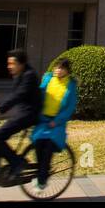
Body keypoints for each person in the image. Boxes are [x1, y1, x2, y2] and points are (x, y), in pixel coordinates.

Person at [0, 48, 40, 185]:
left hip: (30, 114)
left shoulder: (29, 76)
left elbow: (18, 95)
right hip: (22, 112)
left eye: (12, 63)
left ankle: (17, 163)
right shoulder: (20, 75)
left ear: (21, 64)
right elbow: (11, 96)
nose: (9, 67)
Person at [30, 57, 79, 190]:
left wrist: (57, 121)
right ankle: (42, 172)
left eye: (61, 68)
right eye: (56, 67)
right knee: (38, 145)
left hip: (56, 124)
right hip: (43, 120)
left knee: (48, 149)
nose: (57, 70)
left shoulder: (71, 85)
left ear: (67, 71)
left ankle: (41, 181)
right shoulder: (47, 78)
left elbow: (69, 107)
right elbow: (39, 94)